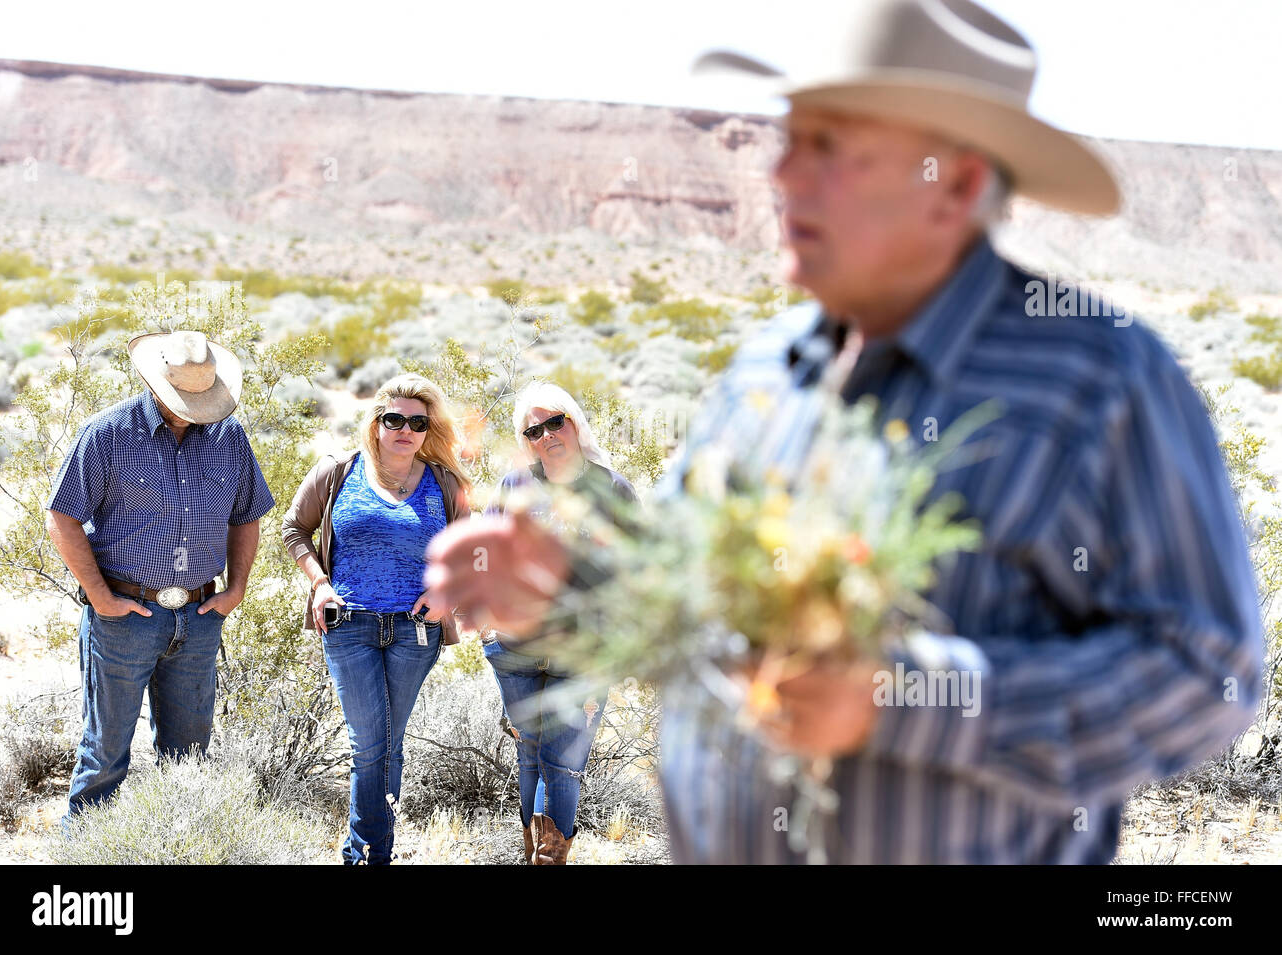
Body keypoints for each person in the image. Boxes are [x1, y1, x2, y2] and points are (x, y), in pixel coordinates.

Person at [420, 0, 1263, 863]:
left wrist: (899, 698)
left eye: (828, 146)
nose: (781, 174)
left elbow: (1208, 676)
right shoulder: (764, 373)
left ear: (959, 184)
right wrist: (565, 584)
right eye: (789, 140)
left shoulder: (1100, 385)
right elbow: (673, 590)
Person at [46, 330, 275, 824]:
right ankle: (83, 860)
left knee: (189, 757)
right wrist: (101, 597)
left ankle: (178, 849)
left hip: (199, 615)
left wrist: (236, 589)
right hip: (125, 616)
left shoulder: (228, 437)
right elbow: (61, 517)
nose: (195, 408)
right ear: (155, 384)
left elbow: (247, 514)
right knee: (104, 754)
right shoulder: (107, 434)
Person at [281, 373, 471, 865]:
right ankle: (365, 857)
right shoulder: (338, 471)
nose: (404, 430)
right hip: (349, 625)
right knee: (371, 745)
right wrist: (320, 584)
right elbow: (295, 529)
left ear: (429, 429)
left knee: (389, 744)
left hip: (415, 630)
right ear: (376, 423)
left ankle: (367, 854)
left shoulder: (444, 484)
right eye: (394, 419)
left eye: (417, 422)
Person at [482, 381, 639, 865]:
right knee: (529, 753)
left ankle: (550, 858)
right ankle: (536, 855)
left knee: (563, 764)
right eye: (533, 430)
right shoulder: (515, 485)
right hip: (516, 647)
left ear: (575, 422)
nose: (546, 435)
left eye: (556, 422)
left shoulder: (611, 488)